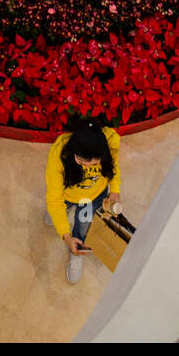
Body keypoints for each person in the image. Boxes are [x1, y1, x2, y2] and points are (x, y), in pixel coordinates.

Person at [45, 119, 122, 284]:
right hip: (66, 195)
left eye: (94, 164)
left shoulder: (110, 142)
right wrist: (65, 235)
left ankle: (76, 252)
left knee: (83, 227)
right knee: (57, 209)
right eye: (81, 162)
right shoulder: (58, 154)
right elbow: (54, 198)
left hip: (92, 198)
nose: (87, 167)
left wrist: (115, 190)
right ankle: (59, 216)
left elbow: (113, 166)